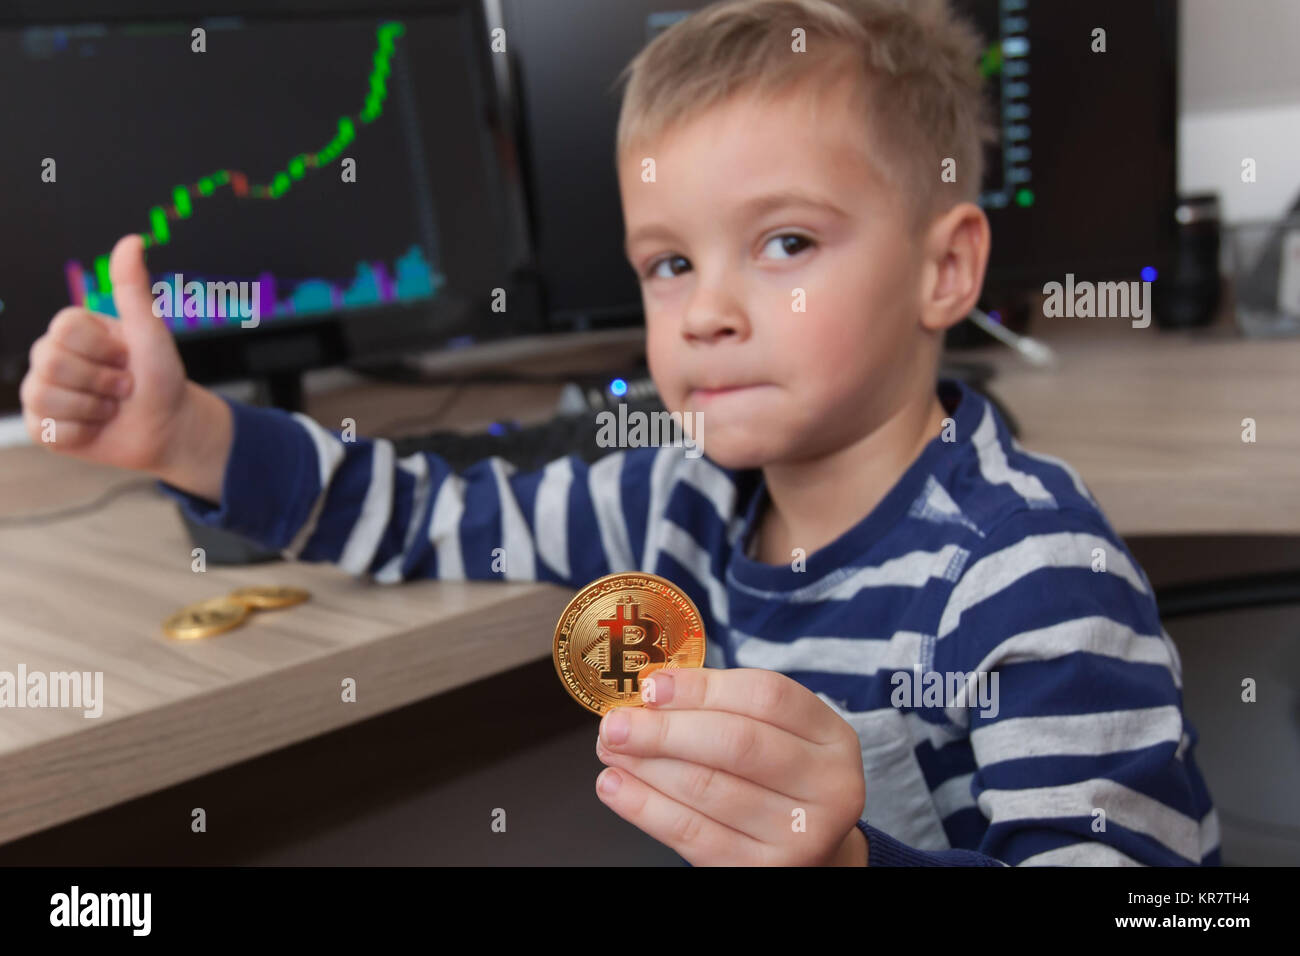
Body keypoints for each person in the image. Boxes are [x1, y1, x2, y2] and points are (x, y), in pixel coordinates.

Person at [18, 0, 1217, 866]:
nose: (705, 310)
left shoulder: (1032, 573)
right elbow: (432, 511)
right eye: (669, 261)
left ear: (945, 267)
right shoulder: (667, 501)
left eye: (785, 242)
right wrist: (192, 436)